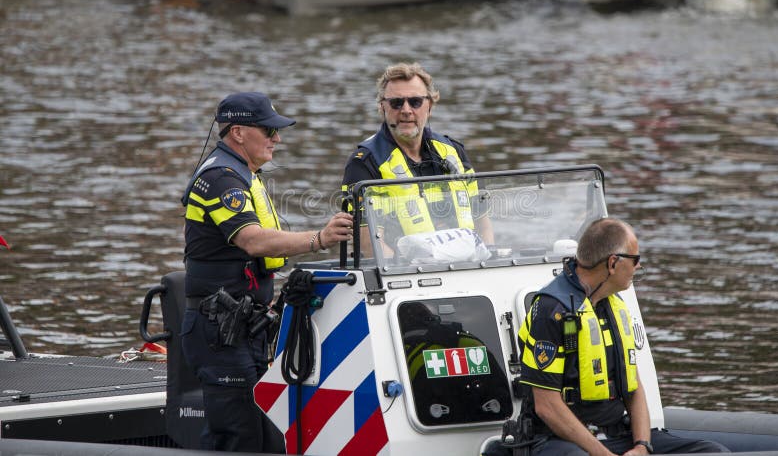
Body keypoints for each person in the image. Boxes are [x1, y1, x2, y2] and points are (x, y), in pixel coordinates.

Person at [180, 91, 353, 452]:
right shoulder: (221, 179)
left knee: (267, 433)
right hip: (219, 331)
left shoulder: (244, 173)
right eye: (269, 131)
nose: (277, 139)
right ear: (239, 132)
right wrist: (319, 239)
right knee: (237, 434)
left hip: (244, 323)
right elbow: (253, 241)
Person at [517, 218, 729, 455]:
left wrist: (642, 446)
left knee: (713, 451)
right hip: (561, 442)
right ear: (613, 263)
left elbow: (633, 385)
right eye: (635, 259)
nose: (638, 266)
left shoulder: (613, 305)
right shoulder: (551, 310)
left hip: (617, 434)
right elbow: (547, 406)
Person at [341, 62, 493, 257]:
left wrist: (486, 262)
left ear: (429, 105)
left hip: (466, 267)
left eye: (415, 102)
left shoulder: (454, 151)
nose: (406, 110)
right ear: (383, 107)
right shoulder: (363, 163)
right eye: (396, 102)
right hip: (404, 276)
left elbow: (483, 225)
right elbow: (370, 244)